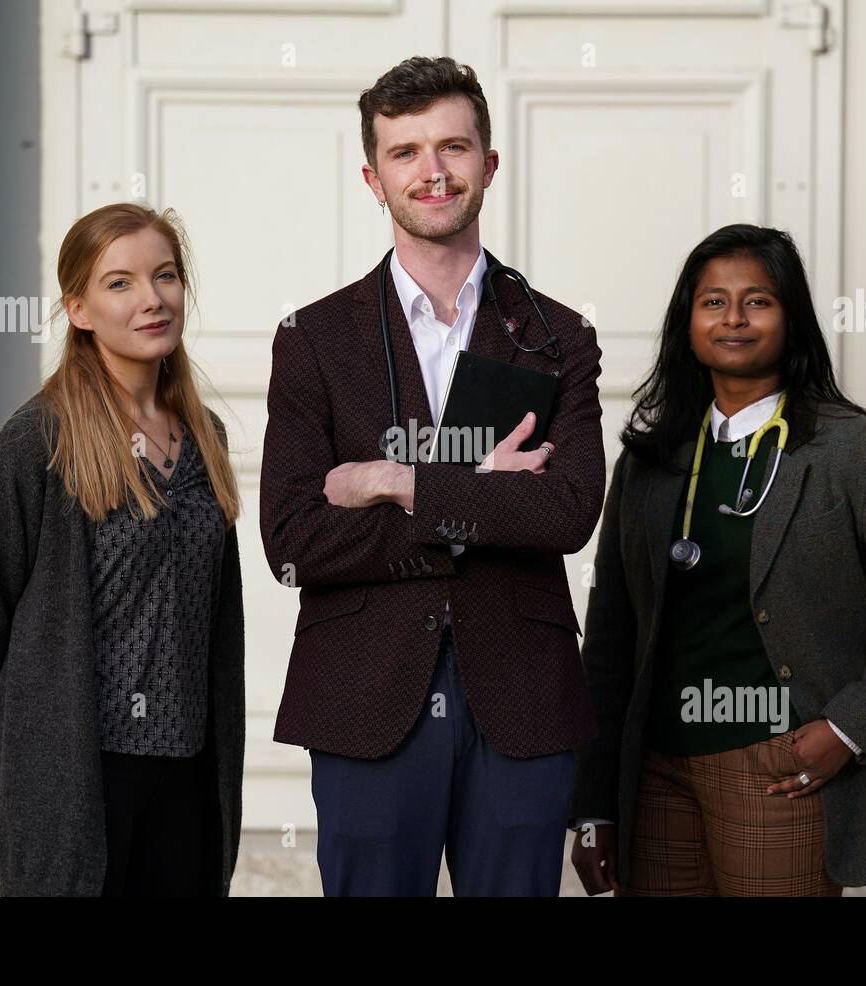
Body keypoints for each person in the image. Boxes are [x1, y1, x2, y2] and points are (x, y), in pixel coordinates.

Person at [260, 56, 605, 896]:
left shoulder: (559, 335)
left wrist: (395, 479)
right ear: (373, 179)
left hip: (521, 692)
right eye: (407, 152)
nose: (433, 171)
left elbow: (565, 513)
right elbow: (295, 541)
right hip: (363, 691)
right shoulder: (312, 338)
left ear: (488, 164)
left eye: (453, 147)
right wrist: (485, 492)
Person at [569, 223, 866, 896]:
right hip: (654, 772)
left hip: (779, 766)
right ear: (688, 321)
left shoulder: (855, 453)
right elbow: (610, 640)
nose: (733, 317)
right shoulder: (650, 464)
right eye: (713, 301)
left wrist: (847, 729)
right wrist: (592, 802)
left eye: (757, 301)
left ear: (792, 319)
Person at [0, 203, 245, 896]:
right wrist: (24, 750)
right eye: (121, 283)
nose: (152, 298)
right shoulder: (36, 445)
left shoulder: (207, 441)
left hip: (189, 781)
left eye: (165, 276)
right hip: (75, 782)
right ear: (77, 309)